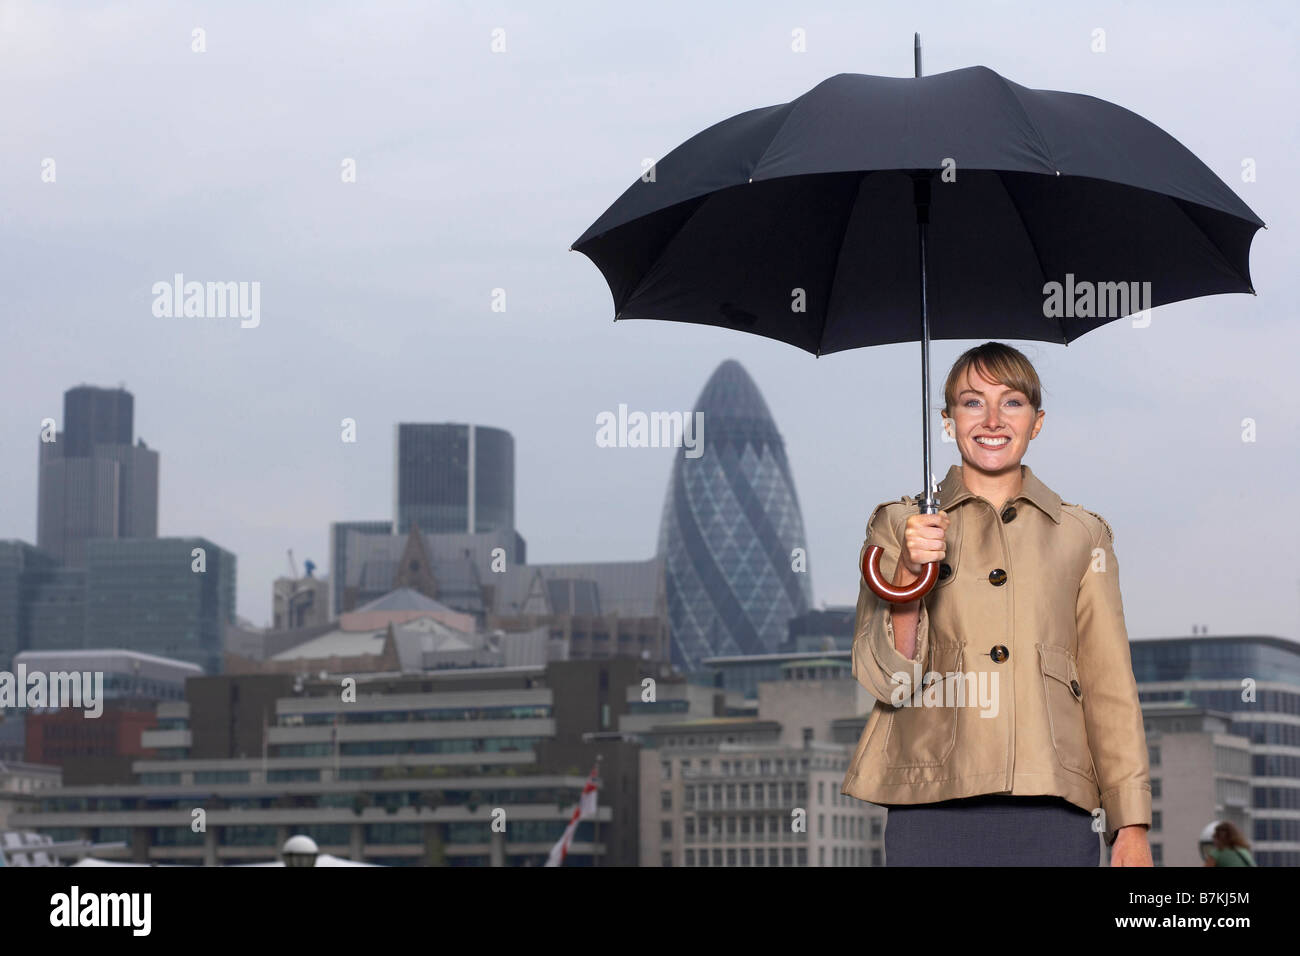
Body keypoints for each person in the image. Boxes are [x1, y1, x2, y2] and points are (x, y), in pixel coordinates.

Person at [841, 342, 1152, 866]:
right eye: (971, 402)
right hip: (930, 803)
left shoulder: (1083, 534)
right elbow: (885, 680)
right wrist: (910, 572)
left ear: (1037, 421)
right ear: (947, 420)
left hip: (1054, 806)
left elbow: (1110, 685)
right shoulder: (900, 524)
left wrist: (1132, 825)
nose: (991, 419)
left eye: (1011, 402)